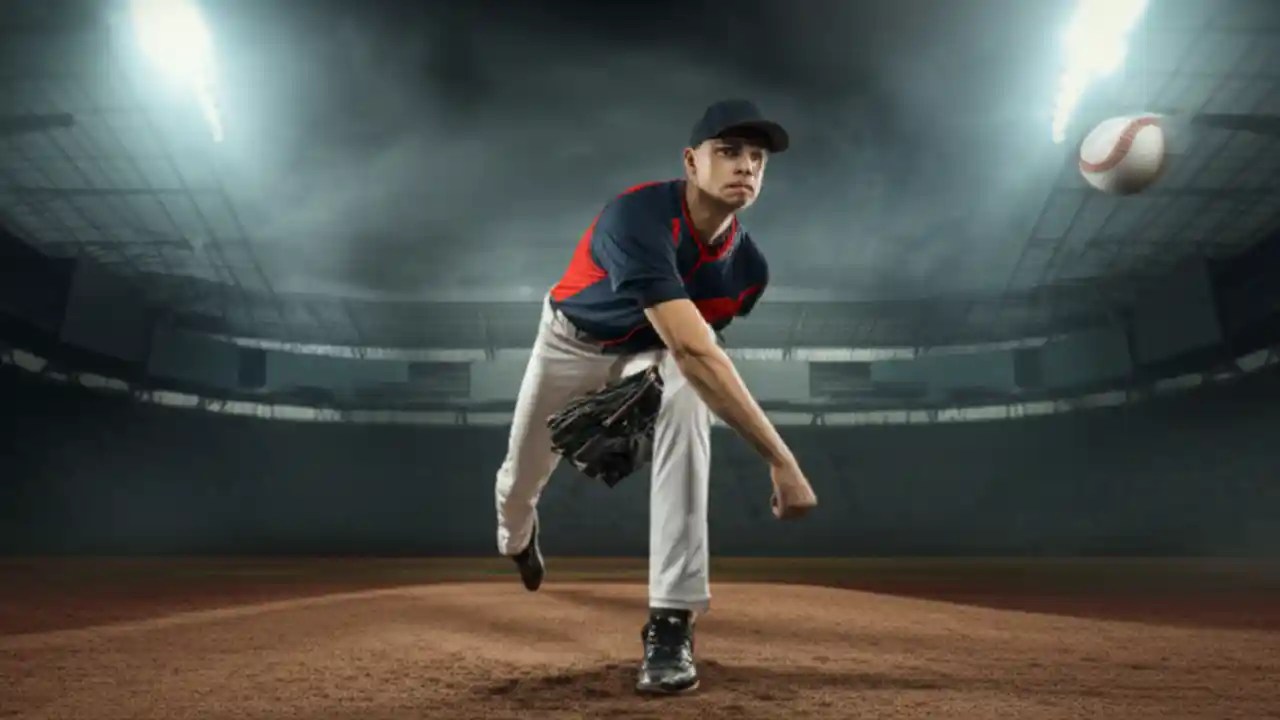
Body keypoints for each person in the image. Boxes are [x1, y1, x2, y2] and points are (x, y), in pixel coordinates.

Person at [493, 99, 818, 695]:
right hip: (570, 341)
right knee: (521, 476)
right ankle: (516, 538)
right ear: (691, 162)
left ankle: (672, 619)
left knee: (691, 398)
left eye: (757, 157)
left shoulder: (749, 272)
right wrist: (782, 459)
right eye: (728, 151)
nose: (745, 165)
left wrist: (657, 397)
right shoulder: (636, 217)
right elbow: (697, 351)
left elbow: (697, 355)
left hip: (652, 350)